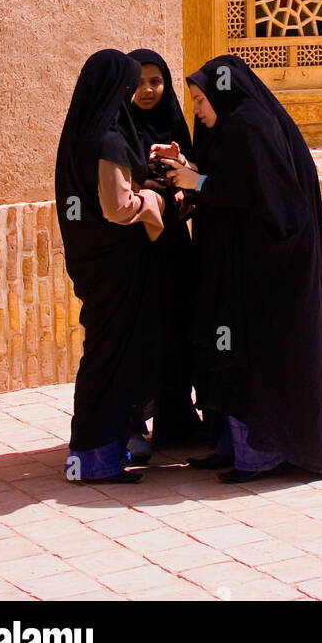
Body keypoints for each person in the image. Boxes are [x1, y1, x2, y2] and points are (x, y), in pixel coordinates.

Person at [154, 55, 322, 483]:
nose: (198, 111)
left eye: (202, 100)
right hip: (235, 273)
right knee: (224, 352)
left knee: (249, 358)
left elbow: (264, 197)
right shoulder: (232, 126)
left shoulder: (251, 126)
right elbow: (230, 181)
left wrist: (201, 184)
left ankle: (260, 455)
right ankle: (231, 448)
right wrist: (190, 172)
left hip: (264, 277)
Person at [54, 49, 165, 484]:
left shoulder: (79, 136)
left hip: (92, 263)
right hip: (117, 265)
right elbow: (118, 208)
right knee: (113, 357)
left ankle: (92, 452)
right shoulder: (109, 140)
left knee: (101, 353)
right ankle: (96, 456)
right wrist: (153, 201)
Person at [127, 48, 203, 448]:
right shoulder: (119, 129)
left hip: (173, 248)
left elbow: (194, 183)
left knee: (177, 328)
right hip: (137, 252)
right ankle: (132, 423)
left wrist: (181, 179)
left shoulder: (172, 123)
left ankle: (176, 418)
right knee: (142, 334)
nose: (148, 90)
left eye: (155, 81)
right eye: (139, 82)